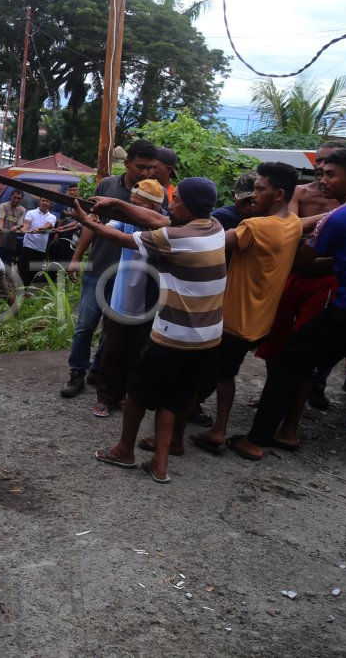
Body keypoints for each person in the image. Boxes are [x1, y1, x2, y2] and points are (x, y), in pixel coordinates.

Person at [227, 148, 346, 471]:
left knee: (288, 361)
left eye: (330, 174)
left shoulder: (339, 217)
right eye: (321, 174)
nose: (322, 180)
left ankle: (255, 439)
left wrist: (335, 260)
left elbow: (301, 264)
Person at [79, 177, 227, 483]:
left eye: (176, 200)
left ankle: (124, 450)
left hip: (173, 336)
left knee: (137, 393)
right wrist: (117, 204)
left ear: (188, 205)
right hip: (208, 338)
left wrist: (86, 221)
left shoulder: (175, 238)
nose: (170, 204)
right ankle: (160, 466)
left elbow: (123, 239)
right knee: (174, 399)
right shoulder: (213, 227)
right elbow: (157, 217)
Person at [186, 163, 302, 455]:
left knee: (195, 374)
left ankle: (171, 438)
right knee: (225, 374)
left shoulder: (255, 226)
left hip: (231, 321)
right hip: (259, 323)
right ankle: (218, 430)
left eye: (260, 190)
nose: (254, 195)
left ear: (279, 194)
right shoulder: (294, 224)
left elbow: (206, 242)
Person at [61, 139, 161, 398]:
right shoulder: (107, 186)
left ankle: (97, 369)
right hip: (100, 266)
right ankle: (77, 373)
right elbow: (93, 223)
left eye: (151, 168)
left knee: (113, 332)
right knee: (85, 325)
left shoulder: (154, 193)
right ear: (127, 163)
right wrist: (77, 257)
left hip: (129, 277)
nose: (146, 173)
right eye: (141, 167)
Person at [252, 142, 345, 411]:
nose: (321, 168)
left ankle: (300, 404)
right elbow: (288, 229)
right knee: (276, 340)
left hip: (322, 279)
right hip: (291, 273)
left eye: (329, 165)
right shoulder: (301, 193)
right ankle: (273, 394)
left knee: (307, 345)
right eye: (319, 162)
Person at [91, 179, 166, 418]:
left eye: (138, 204)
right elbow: (111, 227)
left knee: (138, 352)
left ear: (153, 208)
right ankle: (105, 396)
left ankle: (124, 395)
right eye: (131, 203)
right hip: (123, 295)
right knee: (113, 349)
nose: (131, 207)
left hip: (151, 298)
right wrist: (93, 222)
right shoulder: (126, 219)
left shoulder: (165, 226)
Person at [15, 196, 56, 286]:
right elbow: (27, 224)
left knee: (34, 270)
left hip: (41, 249)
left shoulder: (52, 217)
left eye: (47, 201)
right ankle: (20, 289)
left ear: (50, 204)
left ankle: (25, 288)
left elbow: (48, 225)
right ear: (39, 202)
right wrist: (24, 229)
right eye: (43, 200)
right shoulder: (31, 213)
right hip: (28, 245)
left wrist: (38, 228)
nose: (45, 202)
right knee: (24, 268)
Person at [48, 185, 82, 264]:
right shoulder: (63, 203)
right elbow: (61, 219)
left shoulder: (81, 204)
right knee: (62, 254)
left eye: (74, 190)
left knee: (72, 253)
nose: (72, 192)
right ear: (67, 192)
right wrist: (57, 233)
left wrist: (63, 228)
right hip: (64, 233)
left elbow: (78, 222)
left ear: (78, 192)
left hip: (76, 233)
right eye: (70, 190)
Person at [0, 190, 26, 264]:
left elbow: (20, 223)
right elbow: (1, 219)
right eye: (14, 197)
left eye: (19, 198)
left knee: (7, 266)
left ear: (21, 199)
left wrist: (16, 227)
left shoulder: (22, 210)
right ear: (11, 196)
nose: (16, 200)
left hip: (11, 244)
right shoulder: (4, 205)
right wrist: (0, 228)